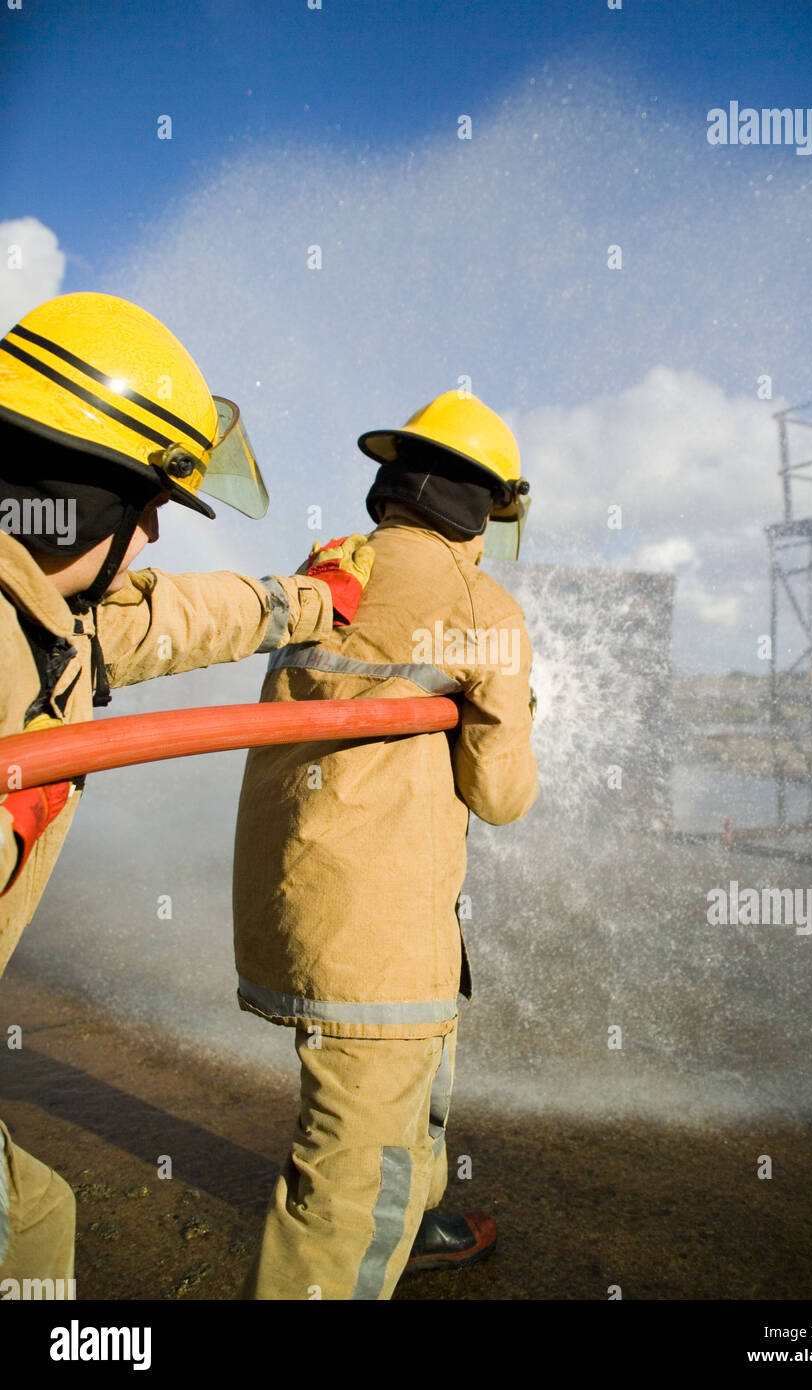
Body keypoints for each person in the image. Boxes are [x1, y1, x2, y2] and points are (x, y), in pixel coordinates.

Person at [0, 291, 373, 1293]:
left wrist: (309, 598)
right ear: (86, 497)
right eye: (149, 505)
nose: (158, 535)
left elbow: (174, 617)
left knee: (34, 1218)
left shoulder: (52, 611)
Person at [232, 389, 538, 1300]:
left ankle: (419, 1219)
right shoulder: (485, 605)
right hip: (380, 932)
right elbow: (501, 795)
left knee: (420, 1079)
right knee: (350, 1173)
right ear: (481, 507)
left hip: (294, 890)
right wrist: (510, 715)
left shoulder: (329, 567)